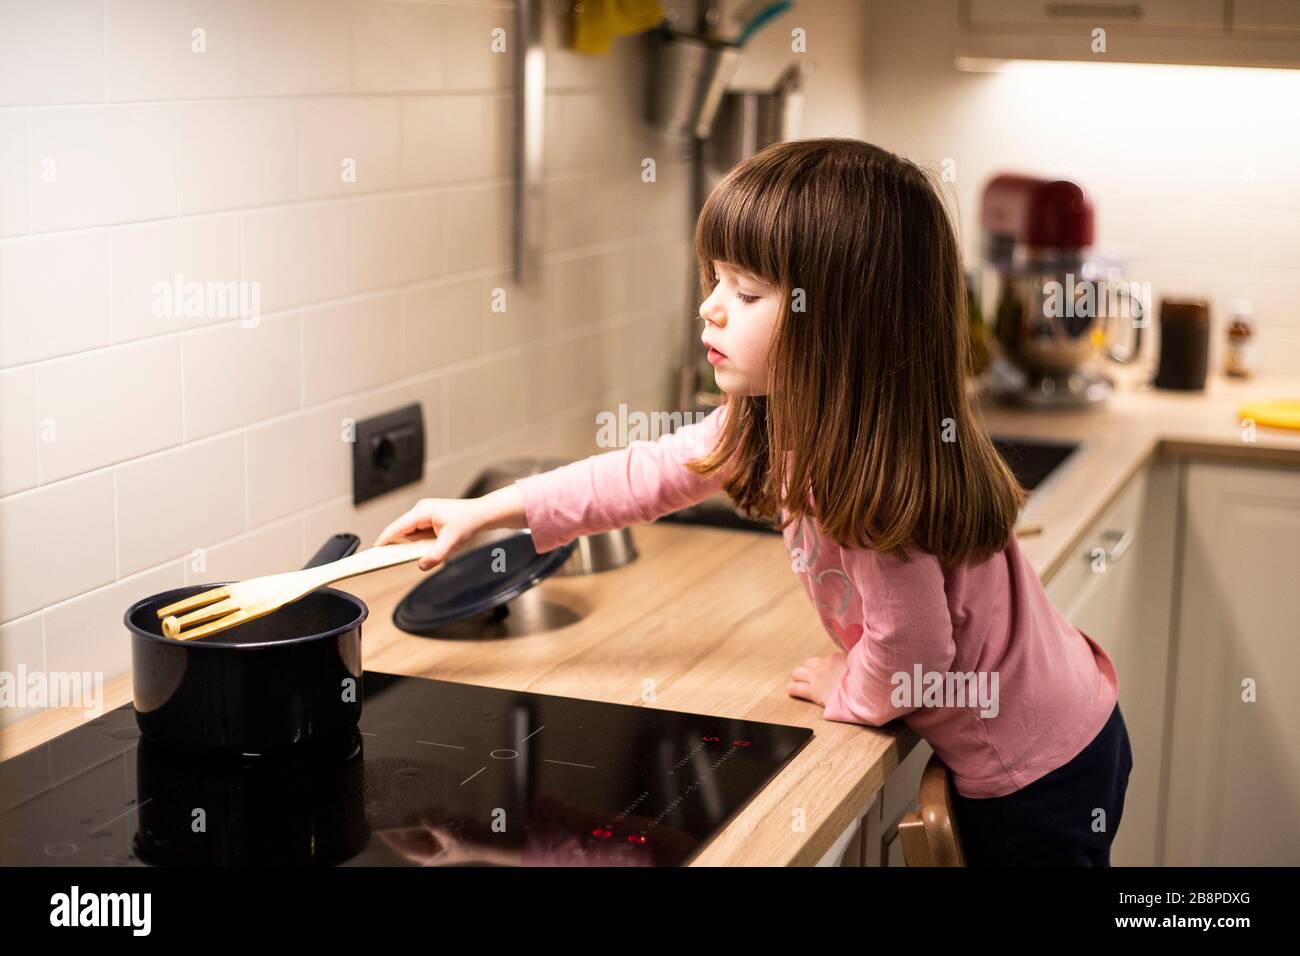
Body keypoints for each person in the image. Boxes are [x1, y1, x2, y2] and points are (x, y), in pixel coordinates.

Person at [376, 138, 1133, 866]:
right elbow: (647, 472)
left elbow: (914, 653)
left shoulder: (868, 484)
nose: (710, 307)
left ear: (841, 322)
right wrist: (488, 510)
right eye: (714, 280)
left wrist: (853, 686)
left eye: (746, 291)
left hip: (1038, 772)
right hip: (1064, 727)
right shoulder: (785, 420)